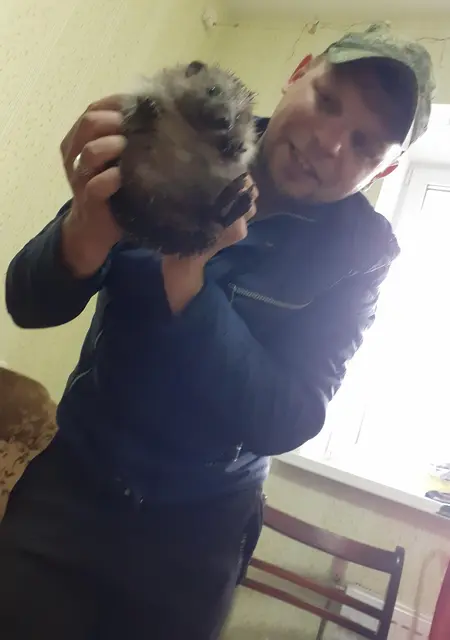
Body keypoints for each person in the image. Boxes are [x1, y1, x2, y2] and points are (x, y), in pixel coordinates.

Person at [0, 23, 434, 640]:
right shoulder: (182, 129)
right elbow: (28, 303)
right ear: (298, 73)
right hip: (70, 494)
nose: (330, 141)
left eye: (364, 143)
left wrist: (188, 275)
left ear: (385, 168)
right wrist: (86, 226)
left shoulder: (363, 253)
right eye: (328, 100)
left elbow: (288, 416)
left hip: (196, 542)